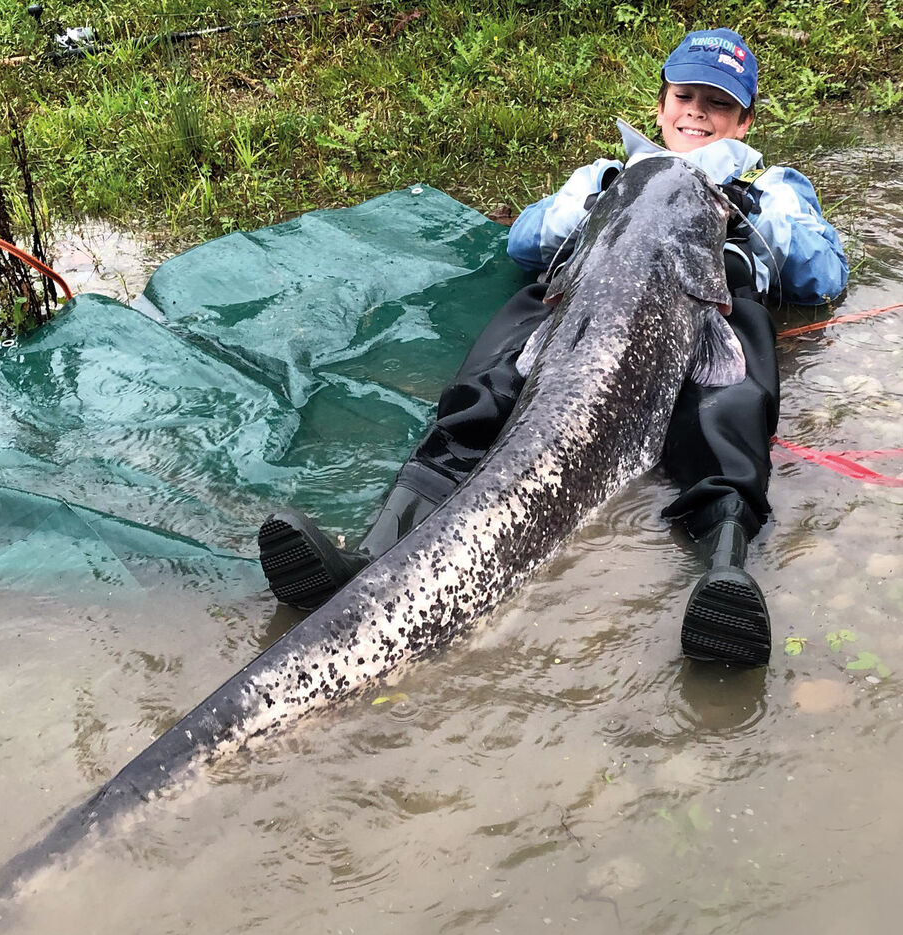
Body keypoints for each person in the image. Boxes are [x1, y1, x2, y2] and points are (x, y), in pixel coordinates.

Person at [257, 27, 848, 667]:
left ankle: (725, 571)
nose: (697, 112)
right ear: (661, 105)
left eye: (718, 103)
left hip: (705, 315)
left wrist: (761, 219)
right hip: (586, 314)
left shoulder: (776, 183)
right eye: (685, 96)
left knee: (728, 410)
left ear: (743, 120)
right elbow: (525, 242)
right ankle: (371, 554)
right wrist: (594, 202)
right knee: (497, 373)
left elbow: (824, 278)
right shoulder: (609, 171)